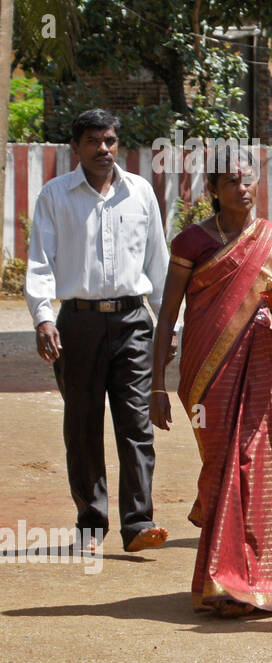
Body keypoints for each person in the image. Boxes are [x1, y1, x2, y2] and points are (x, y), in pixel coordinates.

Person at [150, 148, 272, 616]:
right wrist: (157, 384)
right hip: (208, 374)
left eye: (249, 179)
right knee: (222, 465)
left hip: (262, 365)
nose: (244, 188)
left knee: (255, 463)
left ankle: (238, 582)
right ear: (214, 191)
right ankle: (226, 576)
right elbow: (168, 315)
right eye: (232, 181)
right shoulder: (191, 243)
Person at [25, 108, 171, 554]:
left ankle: (138, 522)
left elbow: (157, 265)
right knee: (83, 423)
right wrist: (44, 318)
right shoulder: (55, 196)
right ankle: (91, 522)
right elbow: (40, 261)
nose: (103, 149)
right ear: (76, 148)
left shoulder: (141, 193)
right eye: (93, 141)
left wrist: (169, 327)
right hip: (78, 323)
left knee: (136, 423)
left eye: (109, 140)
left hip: (133, 322)